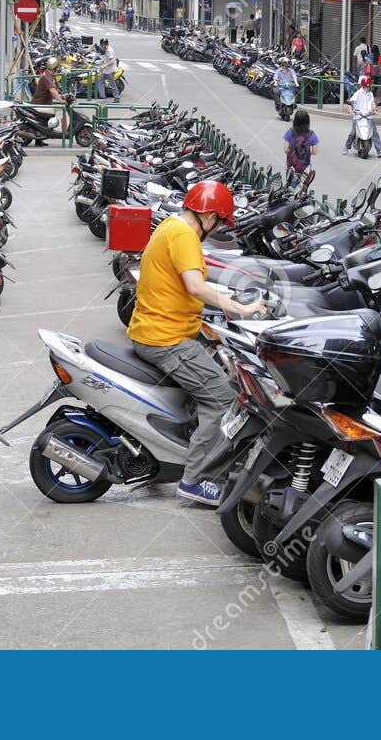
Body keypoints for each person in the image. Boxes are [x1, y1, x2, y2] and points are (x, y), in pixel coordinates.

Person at [126, 181, 267, 504]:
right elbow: (195, 286)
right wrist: (240, 308)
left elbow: (188, 284)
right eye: (219, 221)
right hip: (167, 338)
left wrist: (227, 298)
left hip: (157, 329)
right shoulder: (184, 235)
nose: (218, 228)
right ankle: (196, 480)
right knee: (222, 399)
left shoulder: (171, 227)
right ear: (208, 215)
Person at [345, 76, 381, 157]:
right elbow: (350, 102)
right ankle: (347, 147)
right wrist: (350, 110)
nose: (370, 86)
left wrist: (374, 110)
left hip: (368, 116)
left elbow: (372, 103)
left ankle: (380, 150)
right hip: (358, 116)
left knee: (375, 133)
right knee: (352, 133)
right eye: (369, 85)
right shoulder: (358, 93)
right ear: (366, 85)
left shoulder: (370, 94)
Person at [284, 109, 319, 176]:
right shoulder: (311, 134)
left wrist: (293, 152)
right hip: (305, 167)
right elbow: (315, 152)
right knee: (303, 185)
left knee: (290, 185)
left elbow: (285, 150)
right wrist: (304, 152)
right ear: (308, 121)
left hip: (291, 167)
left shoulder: (290, 132)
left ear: (295, 121)